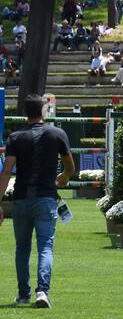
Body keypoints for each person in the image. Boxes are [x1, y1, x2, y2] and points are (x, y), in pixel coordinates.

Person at [0, 95, 74, 308]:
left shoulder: (15, 137)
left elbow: (6, 172)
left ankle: (23, 295)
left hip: (22, 198)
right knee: (45, 247)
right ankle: (42, 291)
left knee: (22, 248)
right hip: (46, 198)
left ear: (25, 112)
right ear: (43, 111)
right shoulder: (57, 134)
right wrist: (65, 177)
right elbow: (70, 166)